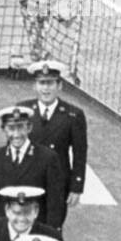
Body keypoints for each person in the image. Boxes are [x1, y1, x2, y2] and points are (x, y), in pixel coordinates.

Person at [0, 106, 65, 229]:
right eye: (11, 128)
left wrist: (51, 231)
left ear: (29, 128)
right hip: (4, 227)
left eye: (21, 127)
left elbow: (54, 201)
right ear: (3, 129)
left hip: (34, 226)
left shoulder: (48, 157)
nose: (16, 134)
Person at [25, 59, 88, 219]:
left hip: (57, 183)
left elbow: (80, 153)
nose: (46, 88)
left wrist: (76, 186)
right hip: (28, 179)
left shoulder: (73, 115)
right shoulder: (23, 111)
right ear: (35, 85)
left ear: (59, 86)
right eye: (41, 83)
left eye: (50, 83)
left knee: (53, 231)